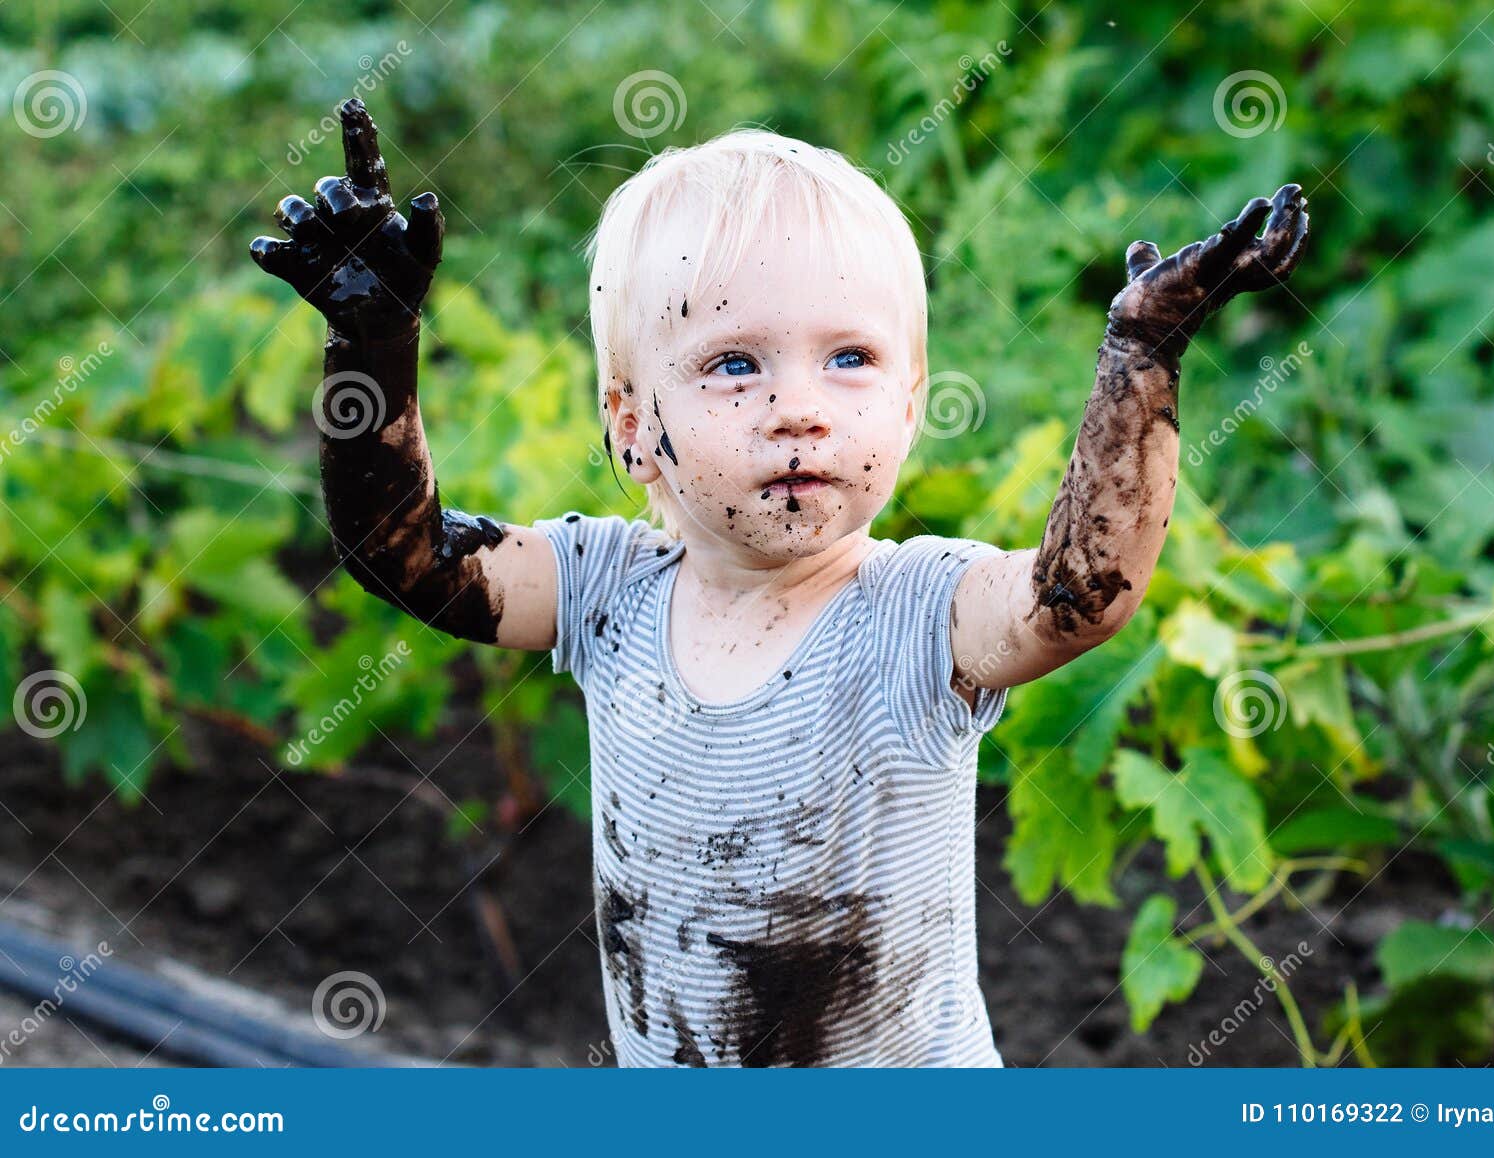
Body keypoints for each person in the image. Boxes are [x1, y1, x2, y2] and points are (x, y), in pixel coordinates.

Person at [249, 97, 1308, 1067]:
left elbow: (1075, 599)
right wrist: (372, 339)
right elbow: (403, 554)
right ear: (632, 426)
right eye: (733, 365)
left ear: (906, 406)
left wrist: (1142, 354)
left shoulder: (917, 613)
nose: (796, 407)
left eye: (848, 358)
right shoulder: (605, 590)